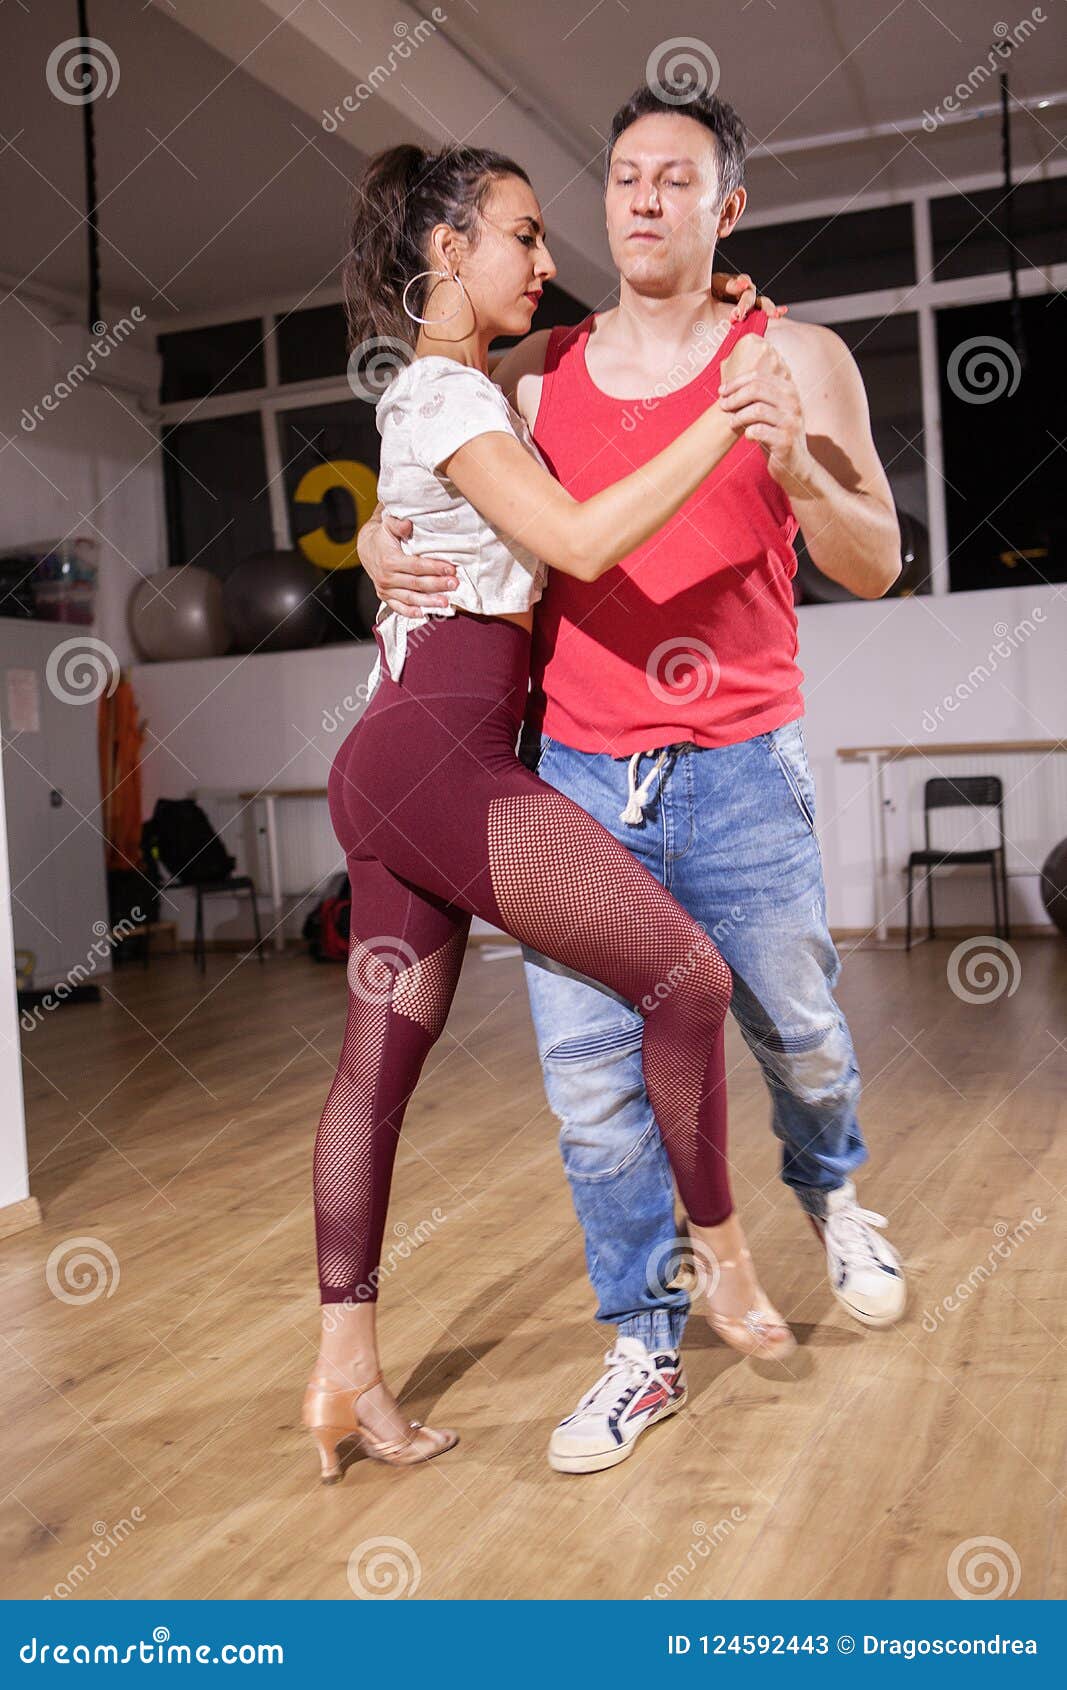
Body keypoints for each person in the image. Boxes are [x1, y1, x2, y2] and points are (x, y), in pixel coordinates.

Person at [358, 85, 908, 1477]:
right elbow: (452, 484)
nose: (644, 197)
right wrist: (375, 539)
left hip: (743, 766)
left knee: (800, 1032)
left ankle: (834, 1192)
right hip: (580, 775)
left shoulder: (799, 354)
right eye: (622, 176)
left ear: (729, 209)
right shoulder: (536, 374)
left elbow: (877, 560)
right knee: (595, 1094)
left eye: (677, 177)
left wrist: (793, 464)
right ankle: (644, 1343)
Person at [303, 140, 794, 1483]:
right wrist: (731, 412)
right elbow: (577, 544)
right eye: (523, 235)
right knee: (687, 978)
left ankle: (345, 1376)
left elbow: (587, 341)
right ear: (448, 248)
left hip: (404, 759)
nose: (548, 258)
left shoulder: (459, 388)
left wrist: (704, 296)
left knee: (372, 1079)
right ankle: (721, 1259)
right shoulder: (443, 393)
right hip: (436, 763)